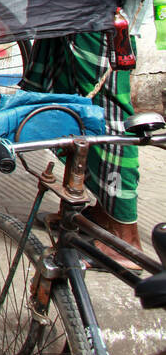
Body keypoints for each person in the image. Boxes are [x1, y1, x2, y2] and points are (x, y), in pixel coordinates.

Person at [21, 16, 143, 267]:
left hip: (102, 16)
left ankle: (125, 241)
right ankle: (97, 213)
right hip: (73, 13)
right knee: (71, 109)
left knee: (108, 120)